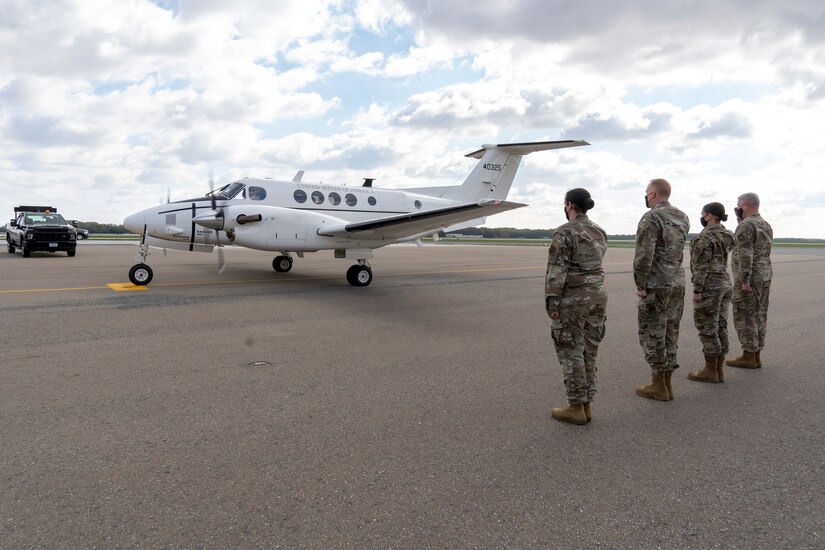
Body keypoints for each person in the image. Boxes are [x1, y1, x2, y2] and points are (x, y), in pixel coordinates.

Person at [545, 188, 608, 425]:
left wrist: (552, 303)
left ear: (569, 205)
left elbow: (556, 272)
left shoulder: (564, 233)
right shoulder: (599, 231)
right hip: (597, 297)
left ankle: (575, 407)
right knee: (589, 352)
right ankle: (587, 405)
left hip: (573, 300)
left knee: (571, 351)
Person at [633, 178, 690, 401]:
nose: (646, 196)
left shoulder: (651, 217)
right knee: (670, 331)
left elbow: (644, 255)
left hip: (657, 284)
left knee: (653, 332)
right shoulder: (682, 216)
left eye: (647, 192)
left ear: (653, 194)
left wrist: (640, 284)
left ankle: (659, 384)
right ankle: (667, 383)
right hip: (677, 281)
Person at [687, 202, 735, 383]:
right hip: (724, 281)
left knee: (707, 328)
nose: (702, 217)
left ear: (708, 216)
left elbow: (700, 266)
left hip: (710, 284)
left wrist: (698, 289)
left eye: (703, 214)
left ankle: (710, 370)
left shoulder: (704, 238)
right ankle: (719, 369)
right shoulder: (728, 234)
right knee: (720, 325)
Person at [726, 192, 773, 369]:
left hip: (750, 278)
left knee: (745, 315)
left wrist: (744, 279)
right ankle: (756, 354)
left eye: (738, 205)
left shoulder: (746, 226)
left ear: (744, 205)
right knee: (760, 314)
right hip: (764, 275)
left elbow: (746, 253)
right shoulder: (765, 224)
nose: (737, 208)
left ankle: (748, 355)